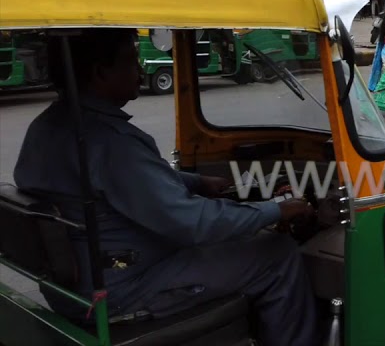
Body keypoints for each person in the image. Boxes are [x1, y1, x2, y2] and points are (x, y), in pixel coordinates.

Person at [14, 29, 320, 346]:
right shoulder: (111, 142)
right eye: (132, 60)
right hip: (126, 288)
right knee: (277, 253)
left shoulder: (48, 126)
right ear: (100, 72)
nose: (142, 69)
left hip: (76, 288)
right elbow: (193, 223)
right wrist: (276, 209)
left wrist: (197, 182)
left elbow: (121, 184)